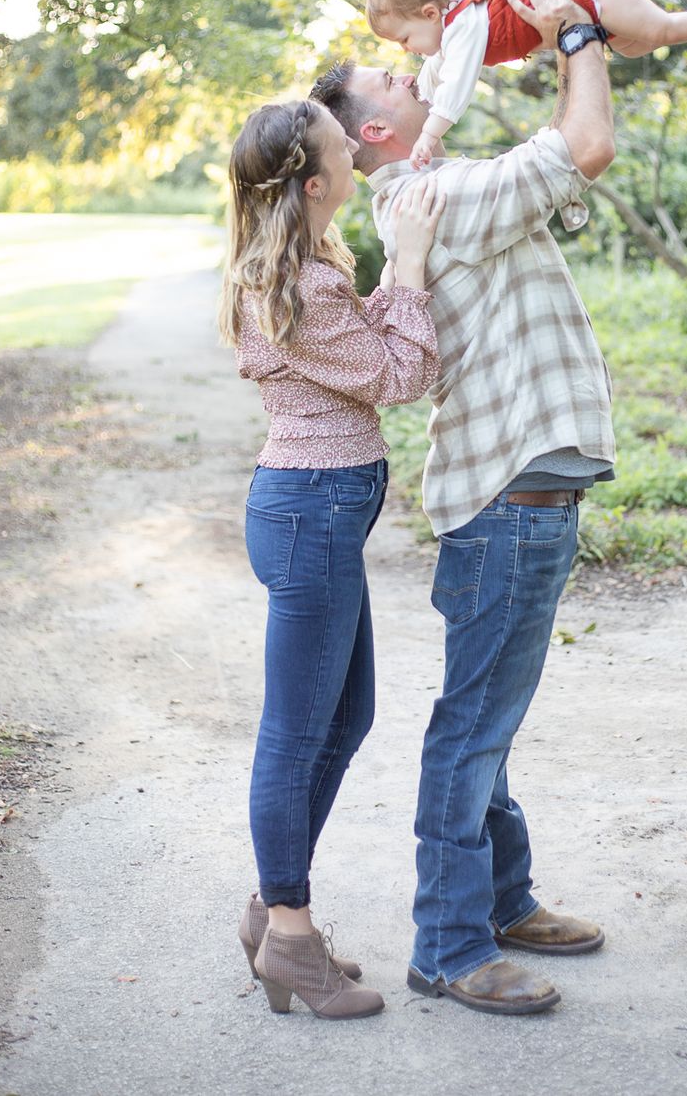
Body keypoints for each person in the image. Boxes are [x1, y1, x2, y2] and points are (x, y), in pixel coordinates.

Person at [312, 0, 617, 1016]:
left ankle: (501, 897)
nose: (420, 61)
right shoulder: (422, 199)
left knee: (489, 713)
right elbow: (585, 144)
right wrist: (577, 24)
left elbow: (560, 170)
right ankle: (447, 944)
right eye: (396, 72)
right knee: (472, 724)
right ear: (382, 127)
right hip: (507, 502)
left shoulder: (445, 184)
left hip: (523, 494)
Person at [218, 97, 443, 1020]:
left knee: (346, 717)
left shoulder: (306, 263)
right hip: (311, 515)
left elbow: (370, 354)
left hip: (318, 514)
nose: (356, 145)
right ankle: (295, 937)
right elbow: (396, 374)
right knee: (296, 733)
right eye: (340, 145)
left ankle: (268, 915)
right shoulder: (303, 286)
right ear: (316, 183)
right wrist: (413, 267)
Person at [365, 0, 687, 167]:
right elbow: (435, 82)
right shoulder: (449, 36)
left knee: (658, 30)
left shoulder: (464, 26)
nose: (406, 50)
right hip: (579, 2)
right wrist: (419, 103)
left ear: (431, 13)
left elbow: (454, 89)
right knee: (632, 45)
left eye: (405, 38)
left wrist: (429, 137)